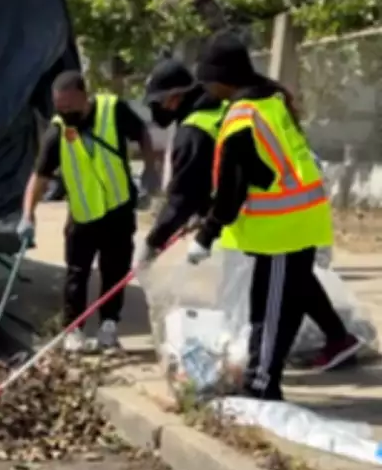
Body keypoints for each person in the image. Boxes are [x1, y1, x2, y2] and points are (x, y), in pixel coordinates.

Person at [187, 32, 361, 400]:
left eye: (208, 80)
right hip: (295, 222)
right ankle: (263, 380)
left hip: (283, 229)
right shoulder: (271, 101)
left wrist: (206, 235)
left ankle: (262, 387)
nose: (207, 88)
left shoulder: (241, 120)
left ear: (222, 79)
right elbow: (265, 171)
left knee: (271, 315)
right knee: (277, 307)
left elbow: (234, 192)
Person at [18, 70, 156, 351]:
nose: (64, 112)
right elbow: (40, 177)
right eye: (60, 107)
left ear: (83, 96)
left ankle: (109, 326)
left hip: (118, 211)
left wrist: (152, 170)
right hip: (82, 216)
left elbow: (143, 133)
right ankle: (74, 330)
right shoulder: (57, 132)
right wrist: (27, 215)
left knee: (114, 272)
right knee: (76, 275)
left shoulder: (113, 110)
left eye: (69, 106)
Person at [133, 58, 226, 262]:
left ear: (174, 98)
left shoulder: (194, 132)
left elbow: (180, 201)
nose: (155, 111)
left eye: (157, 103)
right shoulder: (224, 107)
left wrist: (151, 246)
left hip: (251, 229)